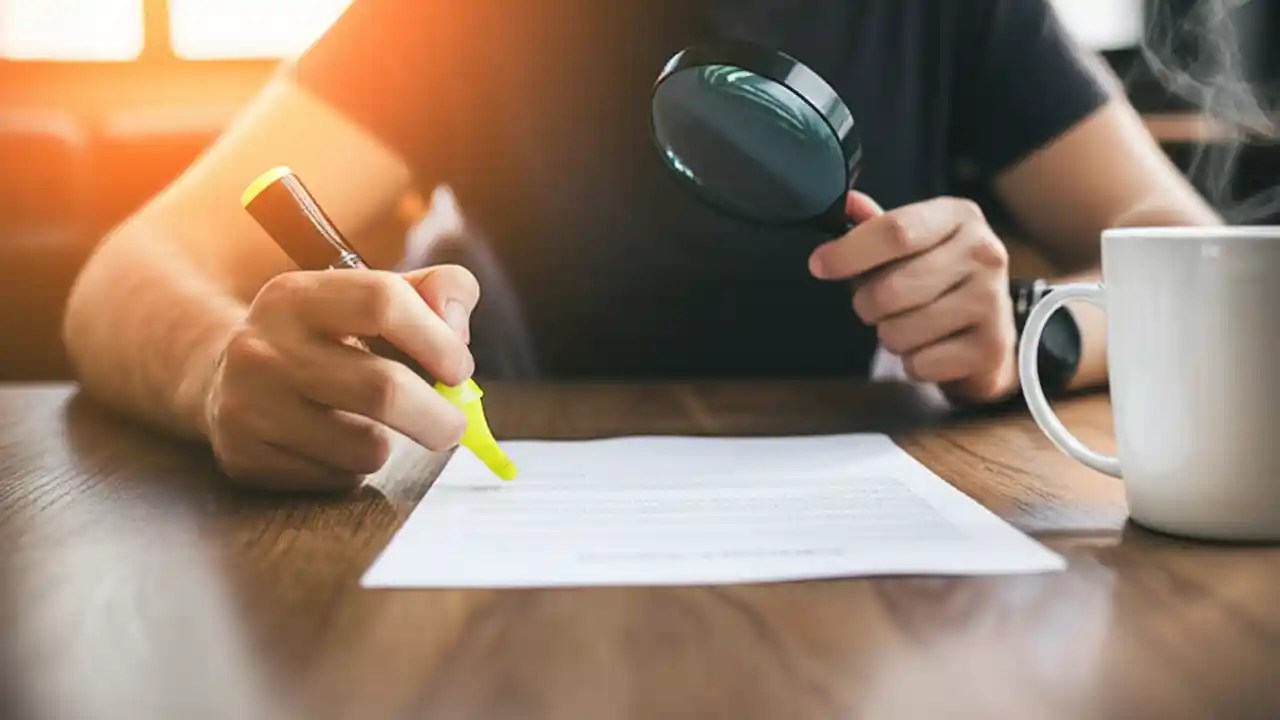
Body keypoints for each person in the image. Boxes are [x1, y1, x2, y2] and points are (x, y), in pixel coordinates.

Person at [63, 0, 1218, 492]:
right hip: (510, 532)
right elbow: (132, 269)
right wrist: (220, 370)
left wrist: (1022, 331)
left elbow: (1187, 253)